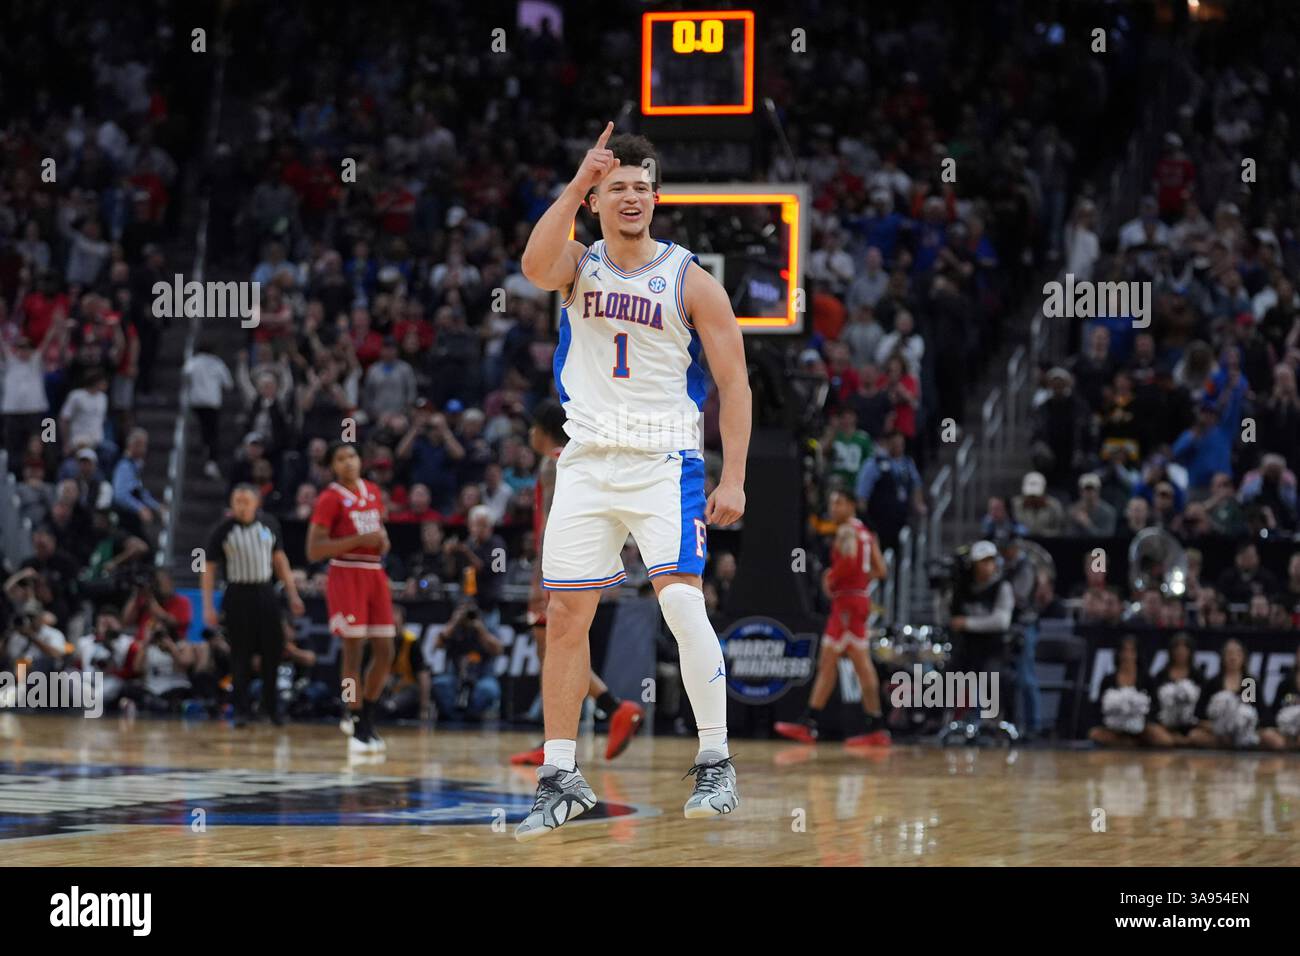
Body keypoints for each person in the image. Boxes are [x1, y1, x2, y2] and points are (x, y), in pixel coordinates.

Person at [514, 123, 750, 839]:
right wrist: (576, 182)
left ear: (656, 199)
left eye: (642, 189)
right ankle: (562, 777)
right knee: (564, 618)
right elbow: (531, 264)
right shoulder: (575, 264)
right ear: (595, 199)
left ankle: (716, 760)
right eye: (617, 188)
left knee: (682, 608)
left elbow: (735, 382)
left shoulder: (689, 277)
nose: (631, 198)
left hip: (663, 460)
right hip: (586, 459)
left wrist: (733, 474)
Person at [509, 400, 645, 766]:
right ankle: (612, 709)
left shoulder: (552, 462)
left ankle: (560, 735)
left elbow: (551, 519)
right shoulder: (579, 456)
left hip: (559, 566)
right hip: (585, 564)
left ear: (541, 430)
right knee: (560, 648)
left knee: (551, 652)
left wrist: (538, 576)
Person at [774, 490, 889, 746]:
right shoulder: (867, 535)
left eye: (838, 503)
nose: (833, 509)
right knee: (841, 663)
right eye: (831, 503)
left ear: (850, 505)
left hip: (847, 603)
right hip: (857, 600)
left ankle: (867, 725)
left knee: (847, 663)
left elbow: (847, 562)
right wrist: (859, 581)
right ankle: (818, 722)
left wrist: (830, 577)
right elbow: (881, 570)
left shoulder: (847, 531)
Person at [305, 442, 395, 754]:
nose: (348, 463)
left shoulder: (371, 490)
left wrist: (382, 543)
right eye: (340, 459)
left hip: (374, 573)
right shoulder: (330, 498)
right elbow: (314, 550)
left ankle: (368, 714)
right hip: (345, 573)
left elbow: (378, 536)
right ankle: (354, 717)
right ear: (332, 466)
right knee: (353, 652)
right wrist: (360, 540)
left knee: (386, 650)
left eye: (352, 456)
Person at [202, 484, 305, 726]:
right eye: (237, 501)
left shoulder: (268, 524)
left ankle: (270, 708)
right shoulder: (222, 530)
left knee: (273, 651)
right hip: (237, 594)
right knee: (240, 655)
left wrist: (293, 595)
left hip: (265, 591)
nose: (241, 506)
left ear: (257, 503)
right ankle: (241, 710)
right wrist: (208, 606)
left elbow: (280, 560)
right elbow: (208, 569)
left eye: (246, 501)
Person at [431, 598, 503, 720]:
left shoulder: (485, 628)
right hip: (455, 676)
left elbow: (498, 650)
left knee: (488, 689)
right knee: (440, 684)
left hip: (481, 676)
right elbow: (437, 645)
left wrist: (481, 629)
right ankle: (454, 719)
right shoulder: (454, 629)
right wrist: (454, 622)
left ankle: (472, 718)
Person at [1087, 635, 1158, 746]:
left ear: (1137, 654)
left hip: (1140, 727)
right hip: (1114, 727)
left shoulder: (1146, 679)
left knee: (1157, 735)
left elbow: (1154, 706)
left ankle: (1130, 741)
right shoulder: (1108, 679)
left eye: (1131, 651)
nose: (1127, 655)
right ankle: (1128, 743)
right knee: (1094, 734)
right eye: (1124, 650)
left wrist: (1140, 718)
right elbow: (1099, 707)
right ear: (1118, 653)